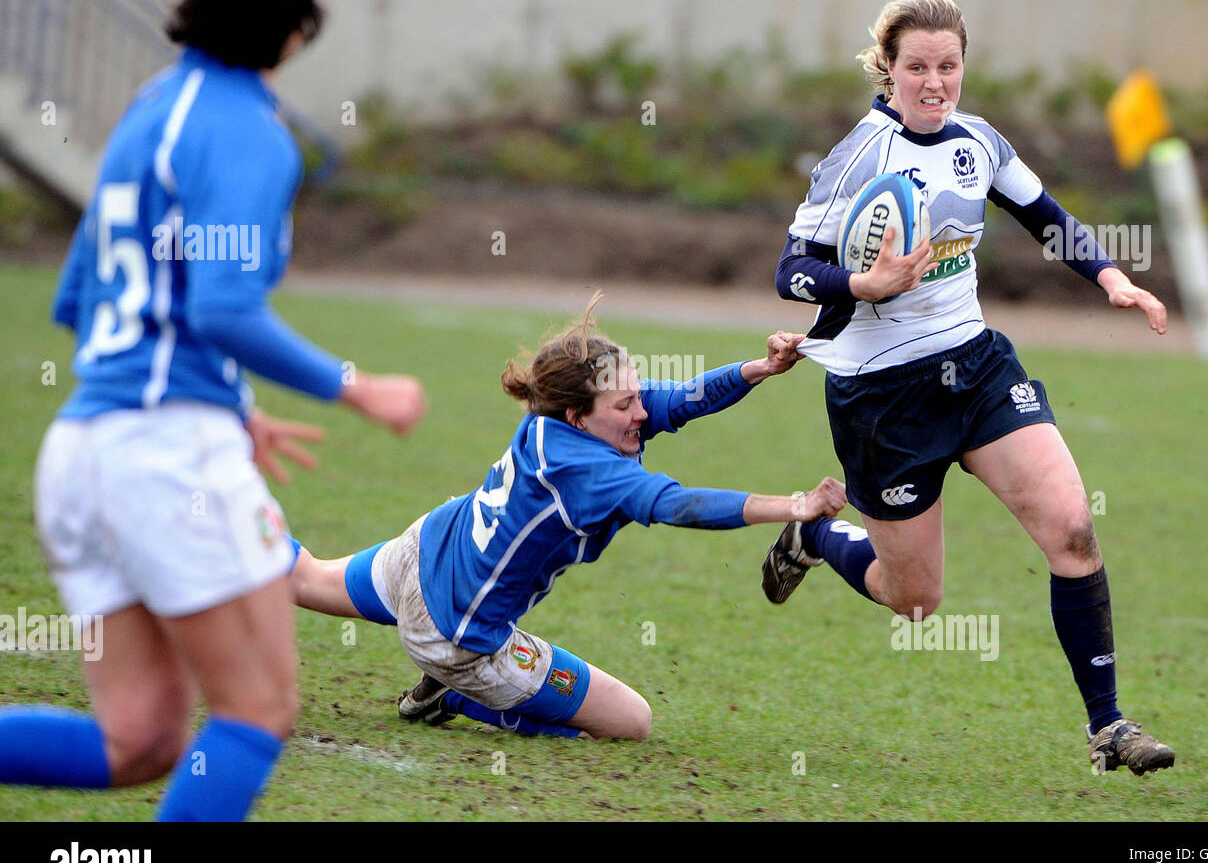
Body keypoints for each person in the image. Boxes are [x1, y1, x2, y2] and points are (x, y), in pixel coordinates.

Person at [0, 0, 426, 821]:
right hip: (160, 458)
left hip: (83, 449)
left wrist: (226, 401)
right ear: (295, 28)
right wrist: (359, 385)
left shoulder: (151, 109)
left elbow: (81, 296)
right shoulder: (249, 133)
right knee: (256, 706)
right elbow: (222, 311)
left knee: (141, 739)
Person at [765, 0, 1174, 775]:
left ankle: (1108, 725)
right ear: (887, 70)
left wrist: (1112, 280)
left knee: (1074, 529)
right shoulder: (859, 156)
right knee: (915, 600)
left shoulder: (978, 141)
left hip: (977, 368)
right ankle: (815, 533)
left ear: (962, 68)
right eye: (916, 66)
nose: (933, 82)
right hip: (882, 399)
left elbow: (1044, 213)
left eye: (947, 66)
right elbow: (791, 270)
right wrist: (864, 286)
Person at [289, 295, 846, 739]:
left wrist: (761, 367)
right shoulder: (586, 470)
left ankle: (230, 539)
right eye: (625, 405)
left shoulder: (558, 416)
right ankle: (452, 691)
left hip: (423, 550)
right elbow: (680, 504)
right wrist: (794, 506)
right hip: (456, 636)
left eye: (635, 395)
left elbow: (682, 398)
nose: (642, 411)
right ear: (580, 417)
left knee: (304, 577)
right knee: (631, 722)